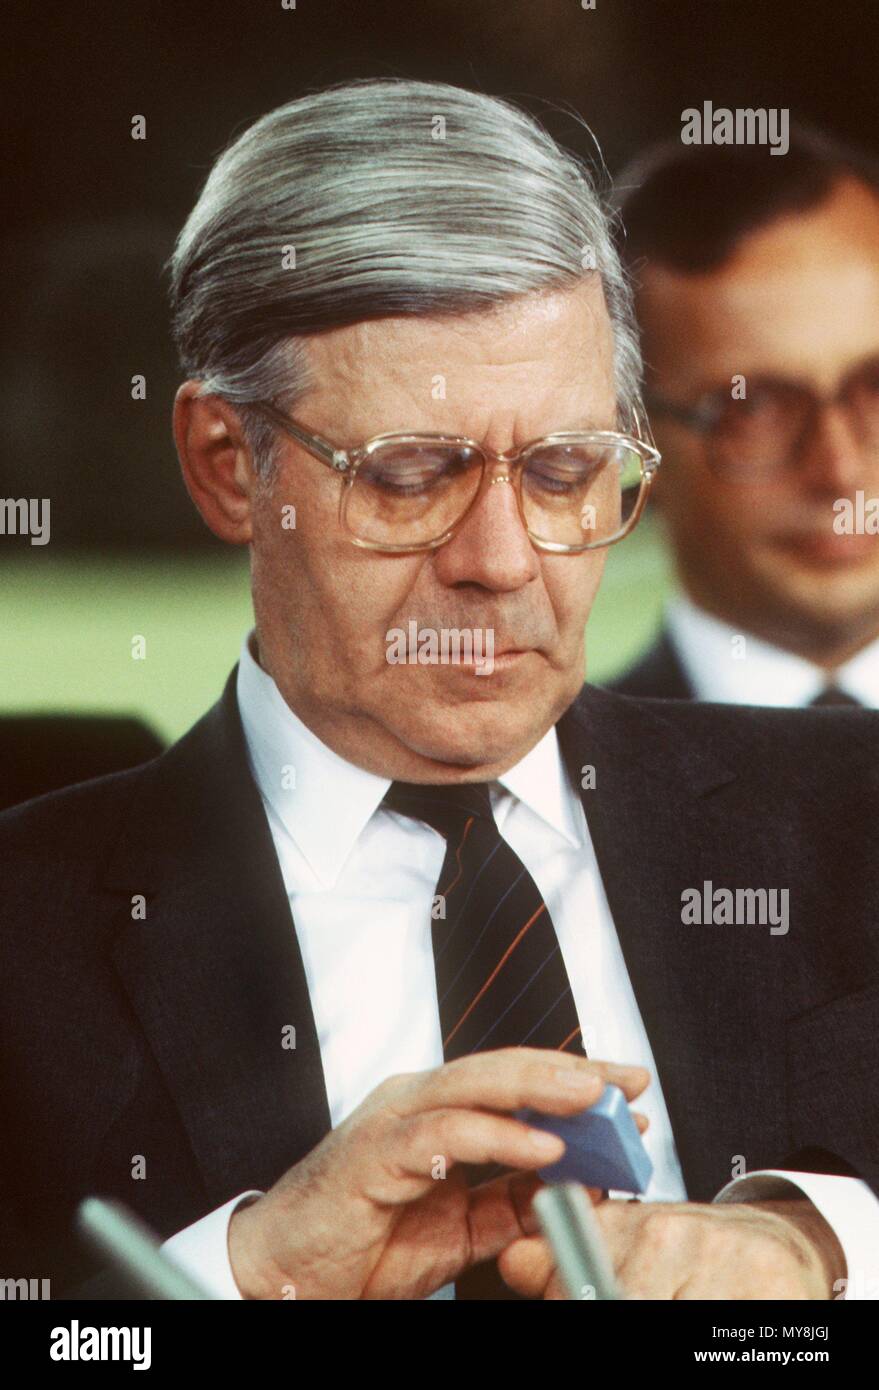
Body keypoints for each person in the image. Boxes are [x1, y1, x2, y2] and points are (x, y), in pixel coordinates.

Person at [1, 80, 878, 1303]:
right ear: (225, 466)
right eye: (412, 475)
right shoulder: (28, 939)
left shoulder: (853, 809)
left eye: (568, 470)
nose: (505, 559)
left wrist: (822, 1243)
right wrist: (237, 1274)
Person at [609, 130, 879, 707]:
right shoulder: (571, 783)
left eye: (877, 388)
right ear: (633, 436)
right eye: (752, 407)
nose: (841, 471)